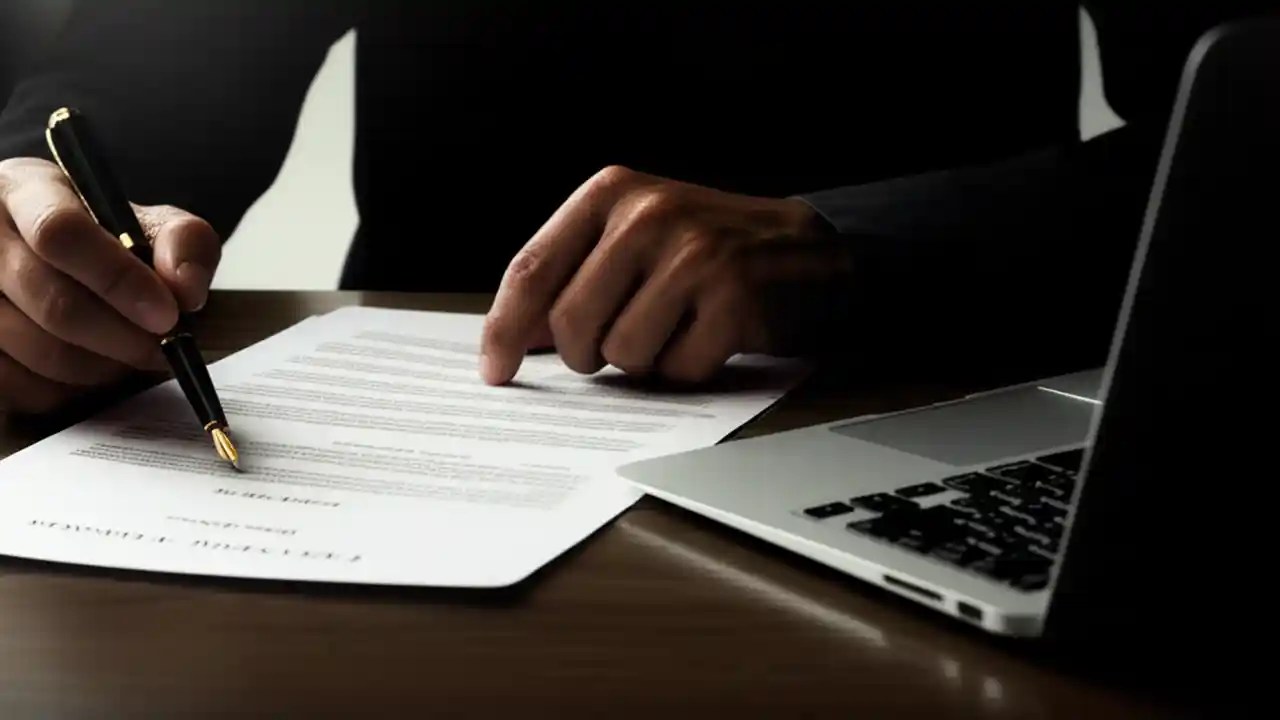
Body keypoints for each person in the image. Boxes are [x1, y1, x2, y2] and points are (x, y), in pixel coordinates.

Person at [0, 1, 1267, 414]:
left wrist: (866, 237)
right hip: (453, 429)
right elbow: (132, 86)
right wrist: (32, 208)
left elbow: (1243, 127)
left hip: (938, 394)